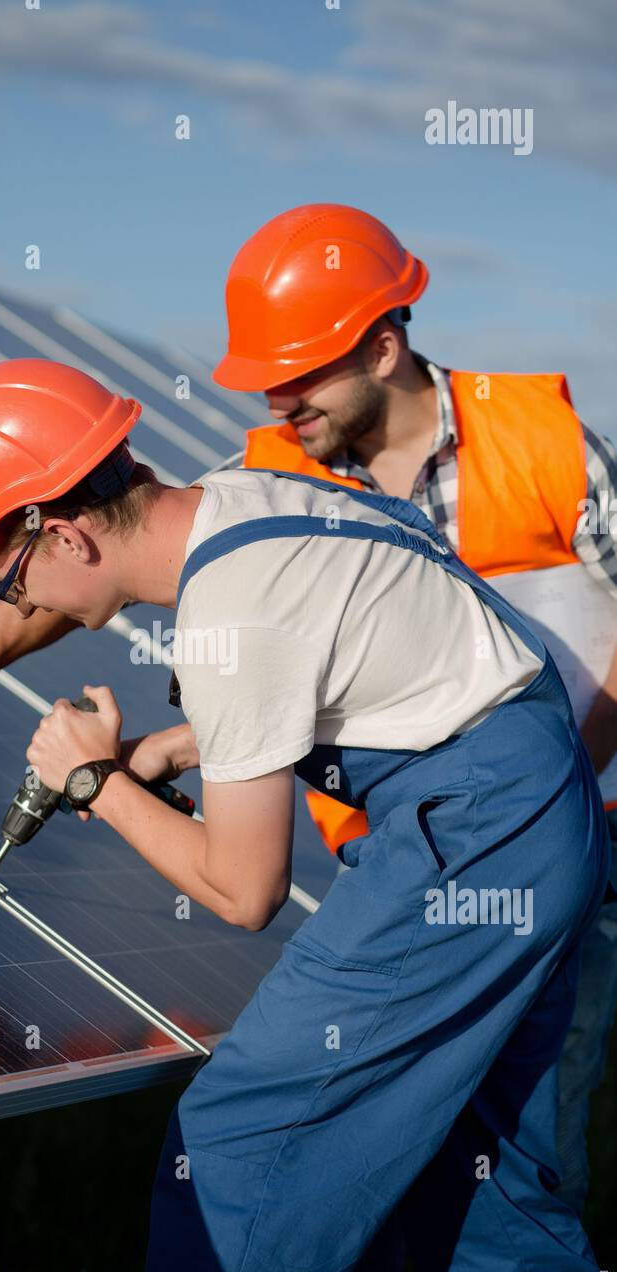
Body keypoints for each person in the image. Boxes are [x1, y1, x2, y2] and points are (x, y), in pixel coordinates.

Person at [0, 356, 606, 1272]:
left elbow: (245, 892)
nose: (20, 607)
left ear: (67, 535)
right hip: (538, 806)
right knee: (477, 1170)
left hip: (472, 836)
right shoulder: (250, 500)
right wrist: (176, 750)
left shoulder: (227, 614)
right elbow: (349, 661)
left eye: (8, 583)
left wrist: (97, 783)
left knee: (239, 1144)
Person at [210, 204, 617, 1219]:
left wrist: (544, 785)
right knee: (400, 1142)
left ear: (383, 345)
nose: (276, 396)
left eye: (300, 371)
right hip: (394, 871)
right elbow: (115, 540)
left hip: (574, 852)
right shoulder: (274, 479)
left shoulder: (544, 442)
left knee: (522, 1152)